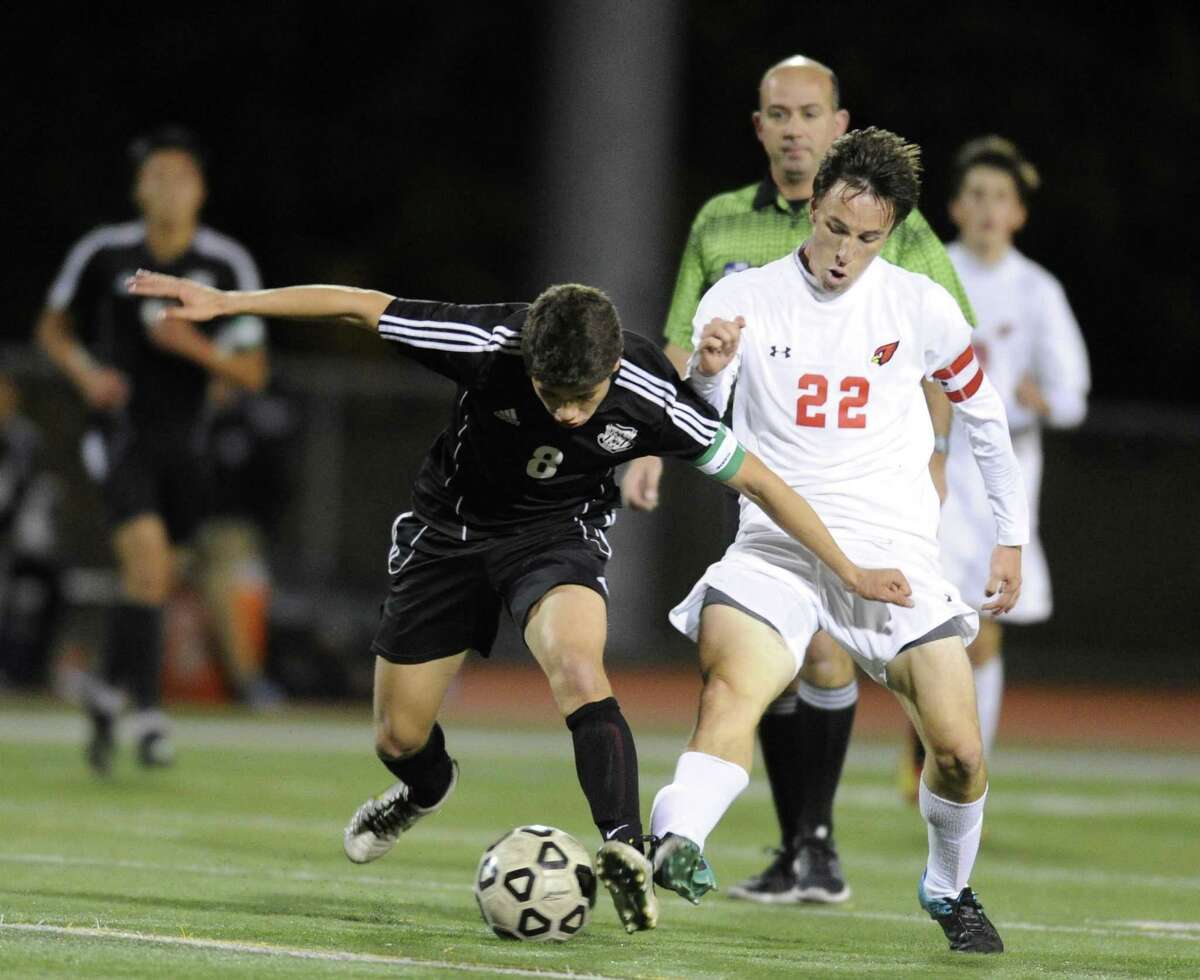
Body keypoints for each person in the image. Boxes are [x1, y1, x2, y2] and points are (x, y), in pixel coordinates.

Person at [126, 268, 912, 934]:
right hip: (447, 532)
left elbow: (763, 480)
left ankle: (626, 847)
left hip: (556, 537)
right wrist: (228, 305)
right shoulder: (488, 343)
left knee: (576, 664)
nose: (570, 413)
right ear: (529, 359)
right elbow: (359, 305)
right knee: (399, 736)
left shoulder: (649, 392)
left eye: (584, 398)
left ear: (612, 369)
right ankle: (424, 791)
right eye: (553, 395)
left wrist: (847, 568)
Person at [646, 128, 1028, 954]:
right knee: (730, 694)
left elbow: (985, 418)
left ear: (888, 235)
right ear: (812, 206)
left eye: (868, 238)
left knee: (959, 752)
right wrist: (707, 373)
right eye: (835, 228)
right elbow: (697, 429)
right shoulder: (738, 299)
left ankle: (947, 887)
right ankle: (677, 840)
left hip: (893, 558)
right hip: (777, 549)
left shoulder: (921, 305)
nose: (846, 252)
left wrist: (1010, 537)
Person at [34, 126, 268, 772]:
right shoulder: (105, 253)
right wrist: (86, 373)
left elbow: (251, 371)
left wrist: (189, 345)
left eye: (179, 176)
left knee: (156, 577)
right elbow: (51, 328)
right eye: (155, 175)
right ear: (139, 187)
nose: (166, 187)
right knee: (144, 564)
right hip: (119, 433)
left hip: (186, 444)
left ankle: (109, 693)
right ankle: (149, 715)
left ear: (200, 189)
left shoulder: (224, 264)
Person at [923, 136, 1088, 770]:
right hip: (931, 466)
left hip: (1000, 477)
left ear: (1018, 213)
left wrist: (1041, 399)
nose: (989, 209)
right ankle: (934, 735)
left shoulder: (1037, 291)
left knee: (982, 630)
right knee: (918, 621)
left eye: (1001, 198)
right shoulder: (933, 275)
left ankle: (968, 765)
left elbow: (1072, 397)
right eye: (977, 196)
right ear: (956, 207)